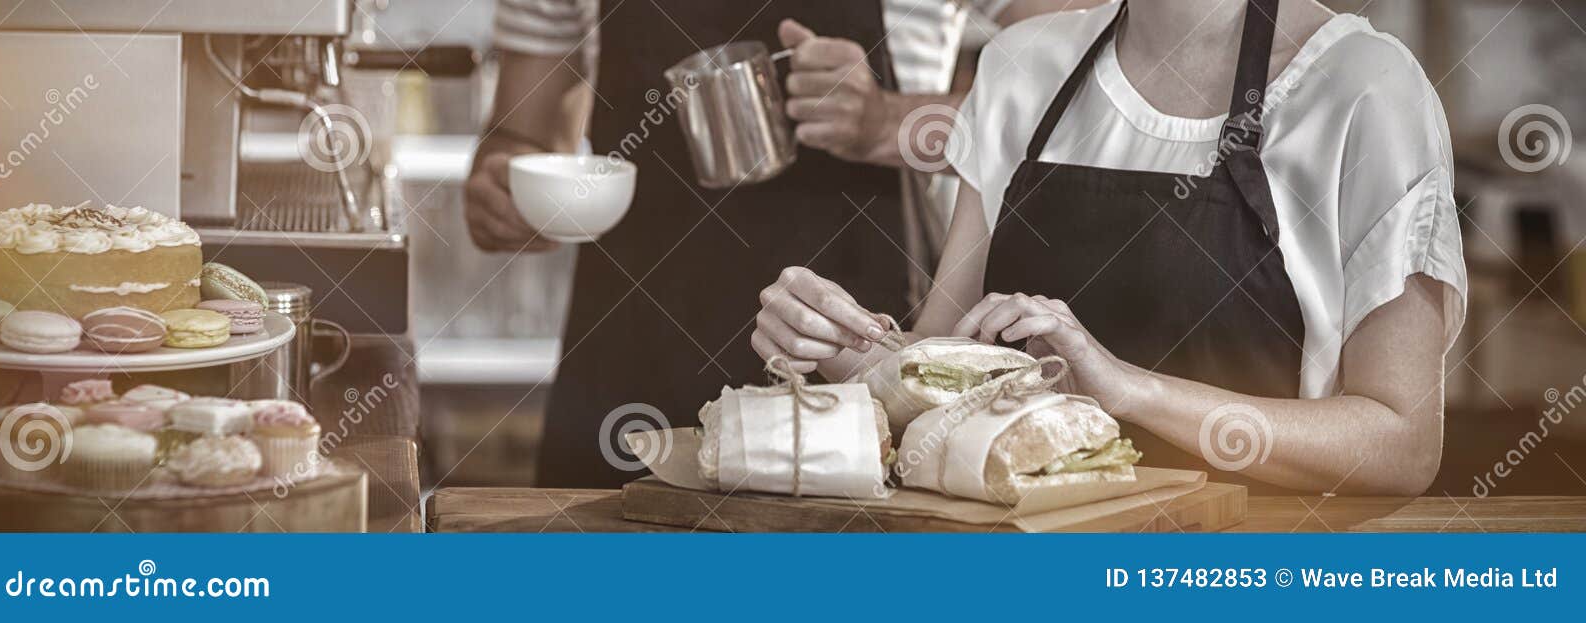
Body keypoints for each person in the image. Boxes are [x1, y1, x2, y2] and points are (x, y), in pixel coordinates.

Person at [751, 0, 1468, 495]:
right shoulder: (1021, 69)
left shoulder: (1366, 89)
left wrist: (1133, 390)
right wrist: (842, 346)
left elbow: (1401, 442)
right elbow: (933, 380)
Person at [467, 0, 1085, 488]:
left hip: (859, 350)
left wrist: (885, 120)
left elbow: (1069, 115)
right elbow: (523, 131)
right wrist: (504, 179)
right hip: (632, 341)